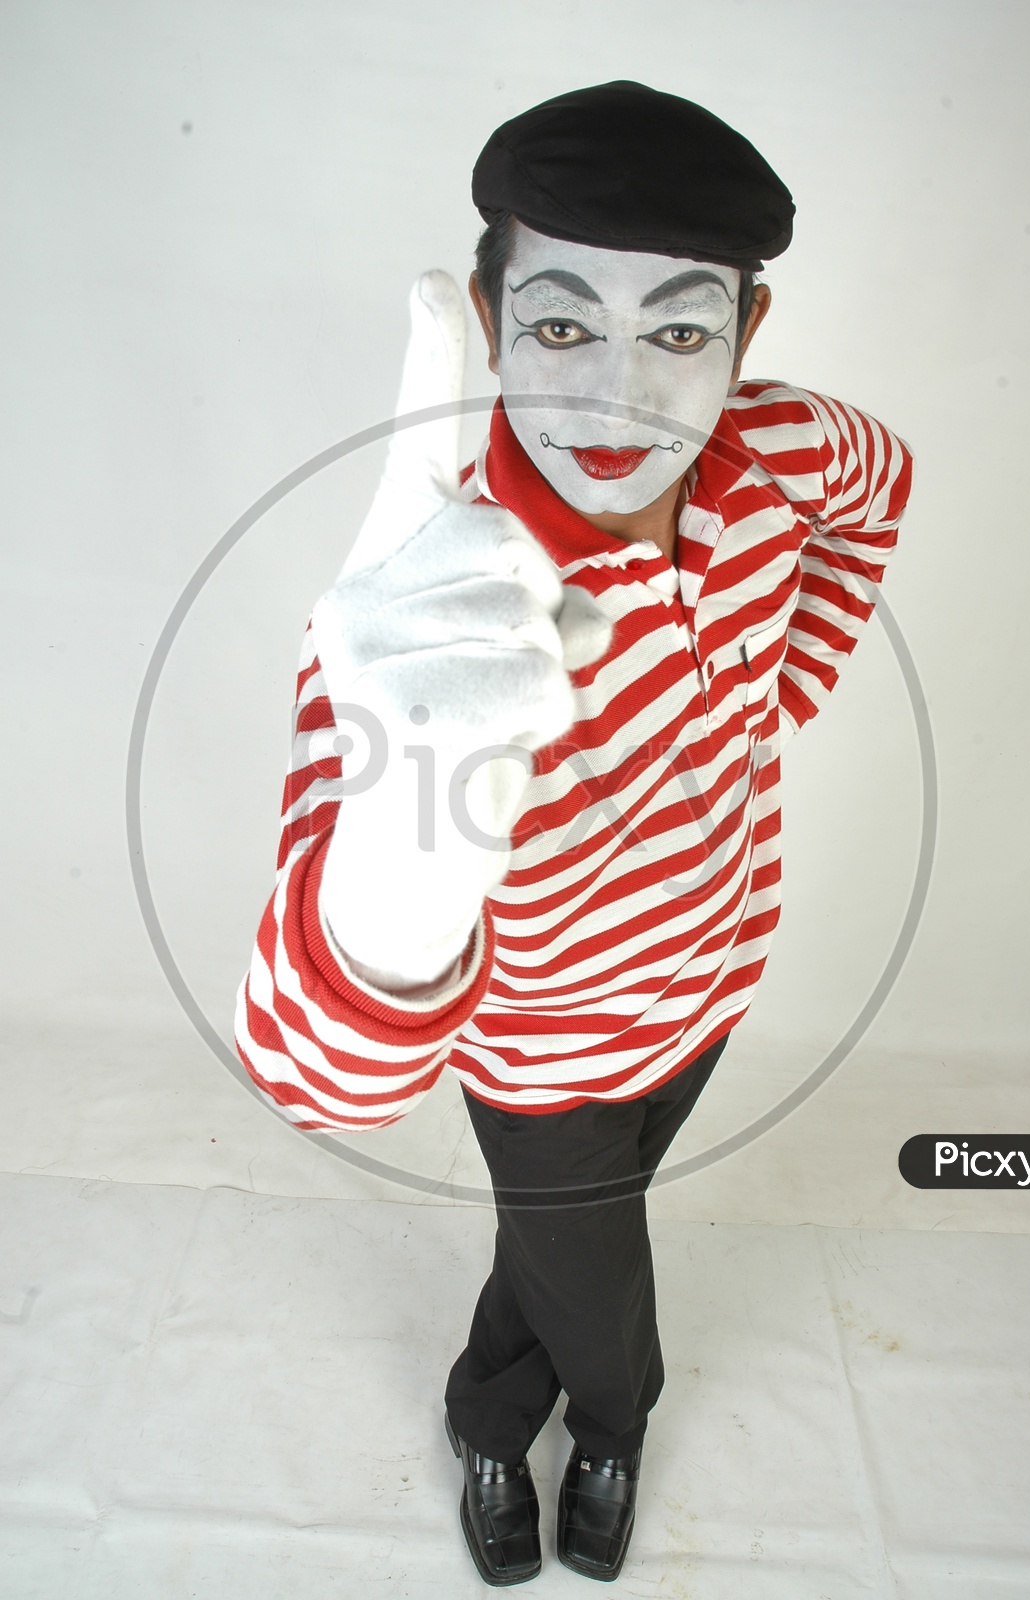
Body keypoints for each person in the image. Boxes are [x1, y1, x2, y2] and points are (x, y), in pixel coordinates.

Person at [236, 81, 913, 1586]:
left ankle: (498, 1394)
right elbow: (315, 1073)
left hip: (714, 983)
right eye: (560, 325)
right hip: (541, 1051)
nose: (620, 394)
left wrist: (780, 690)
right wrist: (395, 892)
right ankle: (588, 1427)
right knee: (599, 1278)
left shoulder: (787, 456)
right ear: (486, 316)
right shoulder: (424, 615)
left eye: (679, 332)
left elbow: (882, 486)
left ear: (747, 326)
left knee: (555, 1253)